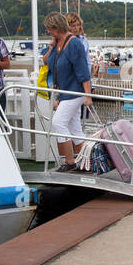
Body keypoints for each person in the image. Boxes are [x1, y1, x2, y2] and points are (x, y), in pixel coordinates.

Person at [43, 12, 92, 172]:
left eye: (50, 29)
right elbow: (47, 62)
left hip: (75, 91)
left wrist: (88, 95)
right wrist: (52, 45)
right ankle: (88, 162)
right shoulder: (58, 42)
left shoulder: (74, 44)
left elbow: (83, 71)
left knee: (58, 122)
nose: (49, 32)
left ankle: (70, 162)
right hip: (64, 92)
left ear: (57, 27)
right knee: (75, 128)